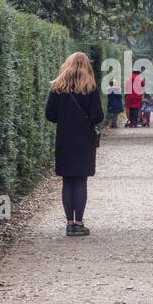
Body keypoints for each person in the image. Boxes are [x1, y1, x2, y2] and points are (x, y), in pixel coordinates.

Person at [45, 52, 104, 236]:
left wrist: (65, 117)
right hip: (84, 141)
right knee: (81, 181)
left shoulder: (57, 87)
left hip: (64, 139)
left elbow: (50, 115)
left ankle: (69, 222)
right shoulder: (90, 88)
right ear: (87, 67)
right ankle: (79, 222)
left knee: (67, 181)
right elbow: (97, 116)